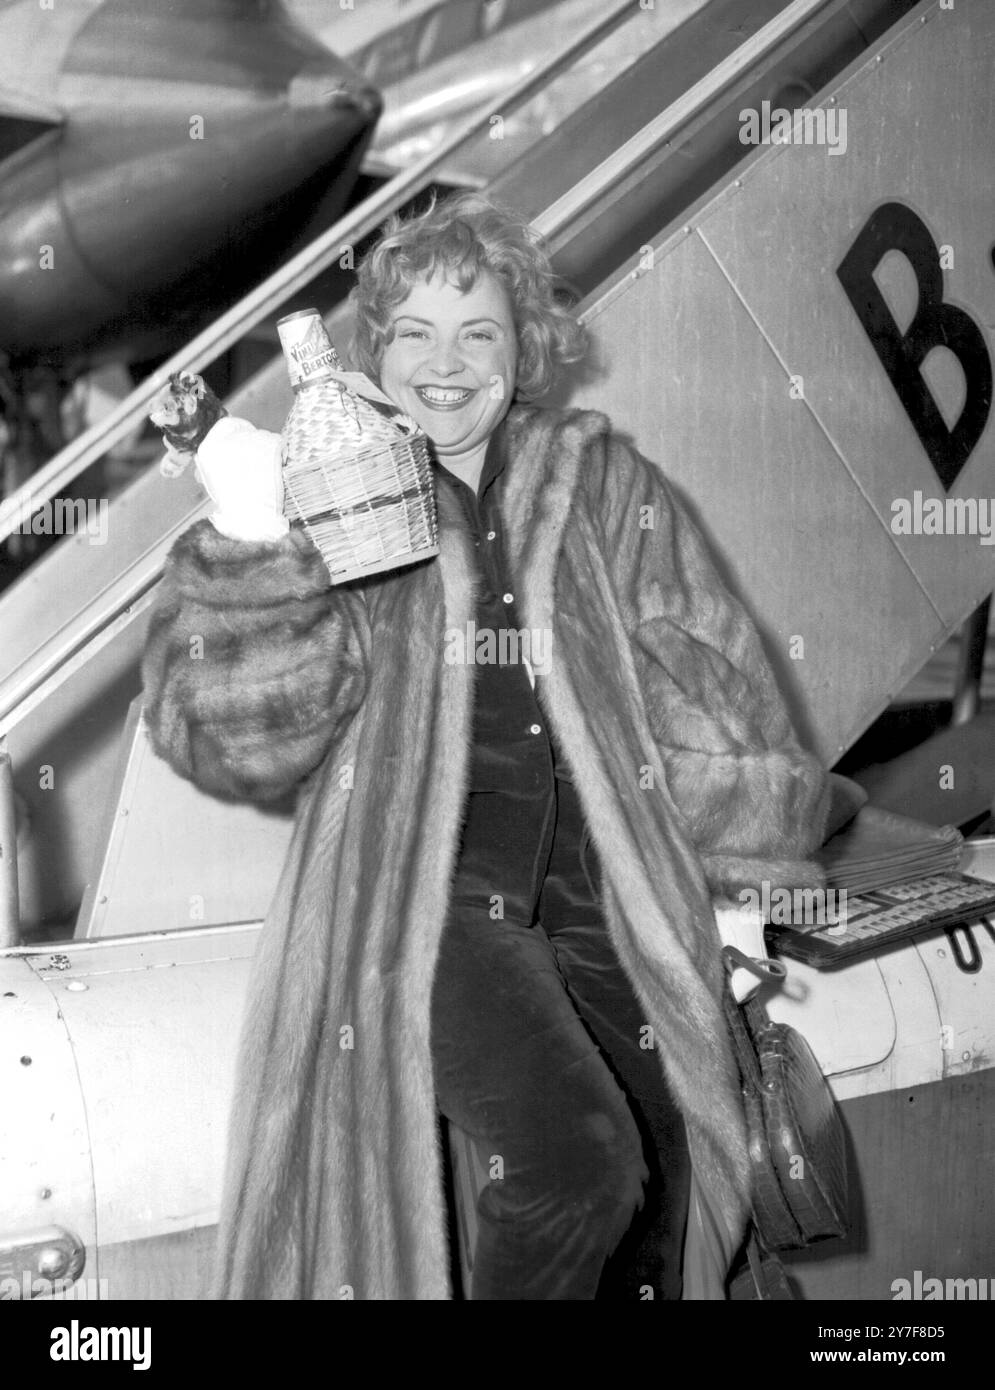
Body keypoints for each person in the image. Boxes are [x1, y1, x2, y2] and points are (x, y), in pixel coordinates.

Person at [141, 193, 842, 1300]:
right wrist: (247, 537)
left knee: (664, 1180)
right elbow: (231, 735)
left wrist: (741, 885)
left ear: (525, 351)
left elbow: (707, 684)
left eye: (479, 331)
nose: (447, 362)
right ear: (374, 352)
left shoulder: (602, 483)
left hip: (608, 892)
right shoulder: (330, 487)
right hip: (422, 904)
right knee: (577, 1169)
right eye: (413, 332)